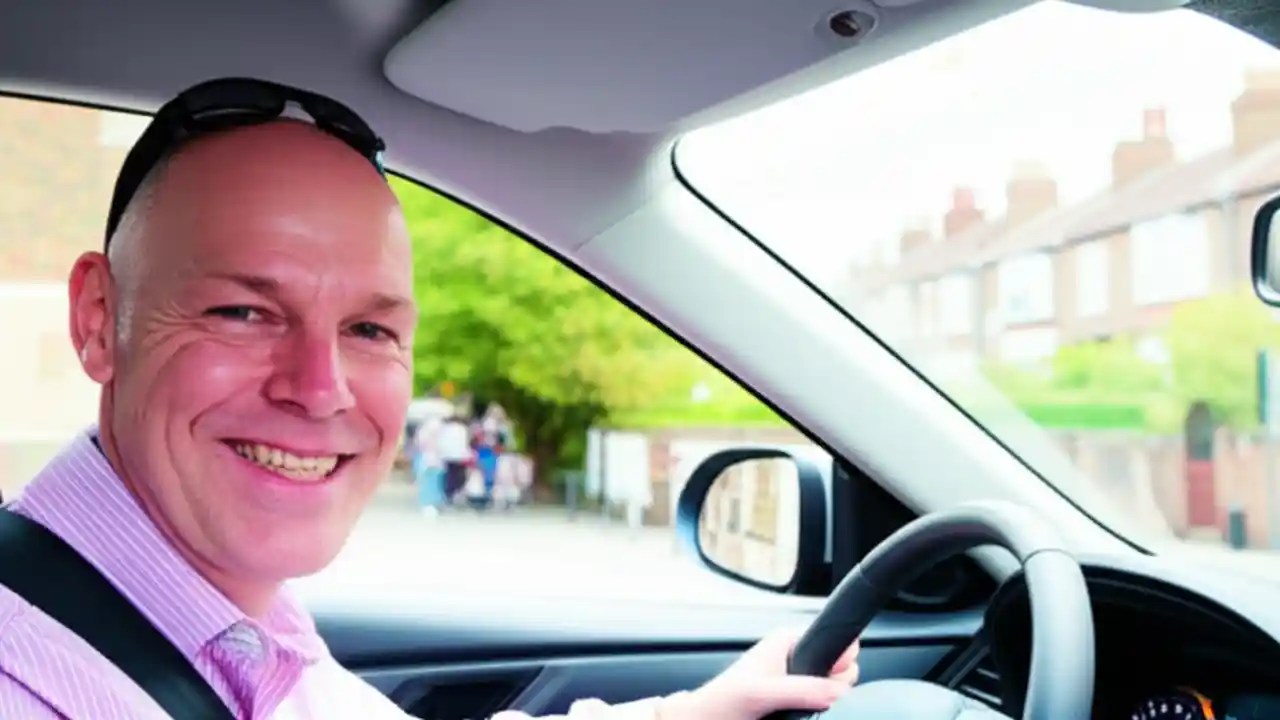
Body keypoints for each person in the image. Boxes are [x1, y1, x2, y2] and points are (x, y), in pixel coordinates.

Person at [0, 77, 860, 719]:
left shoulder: (237, 630)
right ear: (98, 319)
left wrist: (706, 707)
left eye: (369, 331)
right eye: (243, 311)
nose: (319, 387)